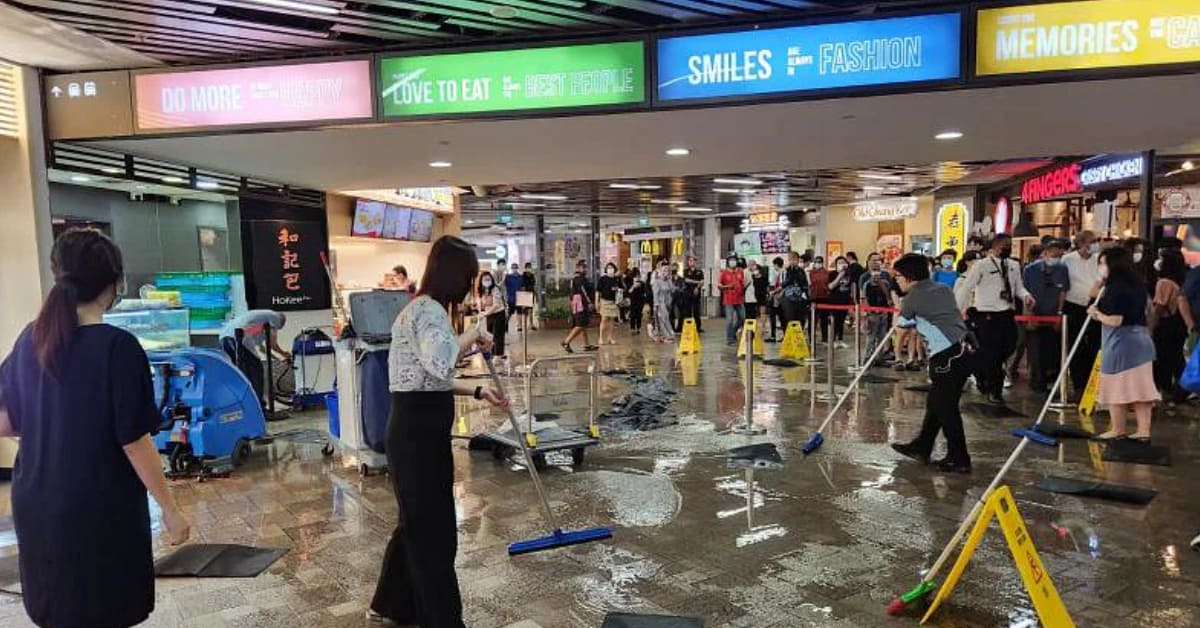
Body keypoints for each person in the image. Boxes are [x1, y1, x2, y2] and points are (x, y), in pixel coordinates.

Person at [0, 229, 190, 628]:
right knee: (104, 610)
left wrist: (49, 431)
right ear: (113, 282)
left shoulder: (28, 341)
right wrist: (171, 511)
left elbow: (5, 422)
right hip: (98, 511)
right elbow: (135, 442)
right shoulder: (117, 348)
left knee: (58, 611)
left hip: (35, 503)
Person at [372, 236, 509, 627]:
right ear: (452, 274)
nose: (469, 286)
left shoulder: (421, 310)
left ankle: (391, 604)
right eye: (467, 277)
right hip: (417, 436)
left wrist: (479, 390)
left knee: (416, 524)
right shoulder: (428, 311)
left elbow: (425, 378)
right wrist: (472, 336)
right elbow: (442, 359)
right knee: (434, 534)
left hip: (415, 429)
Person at [889, 253, 976, 474]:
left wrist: (902, 308)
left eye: (898, 276)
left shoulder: (914, 296)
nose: (896, 280)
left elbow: (903, 323)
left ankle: (960, 458)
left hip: (947, 356)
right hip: (964, 351)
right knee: (937, 402)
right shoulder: (942, 289)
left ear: (909, 276)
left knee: (946, 408)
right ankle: (922, 446)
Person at [1090, 246, 1159, 441]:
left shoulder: (1115, 289)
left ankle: (1118, 429)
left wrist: (1097, 314)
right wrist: (1101, 279)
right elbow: (1093, 292)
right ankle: (1143, 430)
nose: (1101, 267)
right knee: (1141, 388)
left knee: (1116, 387)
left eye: (1103, 263)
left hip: (1121, 344)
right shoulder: (1138, 285)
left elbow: (1115, 320)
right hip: (1142, 341)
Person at [955, 234, 1034, 405]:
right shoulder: (981, 266)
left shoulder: (1013, 265)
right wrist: (956, 310)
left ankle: (979, 367)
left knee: (1009, 347)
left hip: (1007, 313)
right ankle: (994, 390)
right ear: (994, 247)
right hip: (987, 314)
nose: (1007, 248)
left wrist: (1027, 296)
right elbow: (967, 287)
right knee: (992, 353)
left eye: (1010, 245)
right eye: (1004, 245)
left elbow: (1019, 287)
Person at [219, 308, 290, 411]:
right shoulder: (275, 317)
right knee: (255, 372)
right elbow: (273, 343)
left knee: (236, 373)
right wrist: (284, 354)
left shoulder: (258, 323)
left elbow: (262, 348)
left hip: (225, 337)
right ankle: (258, 407)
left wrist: (278, 358)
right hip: (240, 338)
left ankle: (238, 405)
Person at [1022, 240, 1069, 393]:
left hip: (1053, 313)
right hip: (1034, 312)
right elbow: (1024, 292)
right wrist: (1028, 315)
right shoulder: (1030, 270)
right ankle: (1037, 383)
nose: (1057, 257)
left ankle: (1052, 381)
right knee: (1035, 351)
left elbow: (1063, 292)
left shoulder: (1062, 269)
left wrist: (1060, 313)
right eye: (1054, 254)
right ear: (1045, 253)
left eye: (1059, 255)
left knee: (1052, 350)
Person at [1061, 230, 1103, 401]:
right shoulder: (1067, 259)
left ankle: (1094, 387)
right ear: (1081, 243)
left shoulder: (1099, 259)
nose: (1094, 244)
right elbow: (1064, 283)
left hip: (1095, 304)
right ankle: (1078, 385)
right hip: (1074, 305)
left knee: (1095, 345)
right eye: (1091, 241)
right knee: (1075, 346)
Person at [1153, 249, 1188, 399]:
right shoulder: (1180, 281)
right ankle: (1184, 388)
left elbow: (1159, 307)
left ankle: (1168, 389)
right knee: (1177, 358)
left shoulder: (1164, 282)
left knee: (1164, 358)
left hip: (1166, 325)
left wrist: (1151, 324)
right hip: (1178, 325)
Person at [862, 255, 894, 363]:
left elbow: (889, 295)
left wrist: (881, 283)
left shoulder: (885, 279)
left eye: (878, 260)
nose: (876, 262)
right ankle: (867, 358)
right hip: (872, 314)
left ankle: (879, 358)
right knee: (871, 337)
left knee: (882, 336)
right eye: (874, 260)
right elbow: (863, 297)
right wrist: (866, 313)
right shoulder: (865, 281)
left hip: (884, 312)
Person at [562, 260, 597, 353]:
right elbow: (584, 292)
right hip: (581, 303)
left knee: (583, 324)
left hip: (576, 303)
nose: (585, 269)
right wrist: (589, 302)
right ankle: (566, 341)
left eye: (585, 267)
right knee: (581, 324)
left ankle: (586, 344)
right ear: (577, 268)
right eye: (582, 267)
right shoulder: (579, 279)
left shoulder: (574, 278)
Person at [475, 271, 507, 359]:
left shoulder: (495, 289)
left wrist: (486, 313)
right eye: (485, 279)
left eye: (488, 279)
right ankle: (492, 353)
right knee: (490, 334)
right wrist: (480, 311)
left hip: (499, 313)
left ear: (492, 280)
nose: (487, 281)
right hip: (488, 314)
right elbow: (480, 303)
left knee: (497, 335)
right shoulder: (481, 291)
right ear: (481, 281)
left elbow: (496, 305)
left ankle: (498, 355)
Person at [717, 254, 747, 347]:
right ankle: (730, 339)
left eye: (734, 260)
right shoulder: (724, 273)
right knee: (729, 320)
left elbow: (742, 284)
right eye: (731, 260)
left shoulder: (740, 272)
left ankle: (733, 332)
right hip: (728, 300)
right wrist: (728, 286)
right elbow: (719, 286)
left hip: (739, 299)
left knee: (742, 318)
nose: (733, 262)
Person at [779, 251, 810, 329]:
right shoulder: (785, 271)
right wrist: (791, 275)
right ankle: (789, 337)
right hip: (788, 298)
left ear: (797, 260)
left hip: (800, 298)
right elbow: (783, 284)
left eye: (794, 259)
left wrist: (807, 298)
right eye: (790, 259)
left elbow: (805, 284)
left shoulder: (802, 271)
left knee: (800, 319)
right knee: (789, 318)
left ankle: (798, 337)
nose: (792, 261)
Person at [828, 256, 853, 348]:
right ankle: (833, 340)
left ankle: (840, 340)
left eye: (844, 262)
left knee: (841, 321)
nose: (842, 264)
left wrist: (852, 299)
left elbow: (852, 286)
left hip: (845, 301)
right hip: (834, 301)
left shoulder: (849, 274)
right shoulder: (832, 274)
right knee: (834, 321)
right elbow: (830, 286)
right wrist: (840, 275)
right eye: (840, 263)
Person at [650, 261, 676, 343]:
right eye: (664, 270)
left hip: (668, 302)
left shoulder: (668, 281)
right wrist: (656, 305)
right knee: (663, 318)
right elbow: (655, 294)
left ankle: (663, 335)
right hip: (660, 303)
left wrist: (670, 280)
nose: (666, 272)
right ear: (660, 271)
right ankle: (667, 336)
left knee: (666, 318)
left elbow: (673, 289)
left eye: (668, 270)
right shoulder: (657, 282)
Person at [597, 262, 622, 346]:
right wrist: (597, 302)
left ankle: (610, 337)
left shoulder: (617, 279)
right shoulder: (603, 279)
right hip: (604, 301)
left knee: (612, 320)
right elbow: (598, 291)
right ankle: (601, 337)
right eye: (608, 268)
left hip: (614, 302)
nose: (610, 270)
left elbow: (622, 289)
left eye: (611, 268)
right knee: (604, 319)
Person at [809, 255, 832, 342]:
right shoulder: (811, 272)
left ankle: (825, 338)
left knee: (824, 319)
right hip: (813, 297)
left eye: (819, 262)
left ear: (822, 263)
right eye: (816, 262)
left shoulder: (827, 273)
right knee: (812, 319)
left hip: (824, 297)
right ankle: (811, 337)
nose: (817, 263)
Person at [681, 256, 705, 333]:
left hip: (696, 294)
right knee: (687, 312)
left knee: (696, 311)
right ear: (688, 262)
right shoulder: (685, 271)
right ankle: (687, 327)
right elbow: (686, 280)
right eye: (690, 261)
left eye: (693, 261)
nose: (692, 262)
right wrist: (697, 282)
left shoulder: (699, 272)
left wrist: (697, 287)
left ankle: (698, 327)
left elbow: (702, 282)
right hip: (687, 294)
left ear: (695, 262)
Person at [767, 256, 785, 341]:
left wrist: (773, 292)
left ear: (777, 265)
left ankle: (780, 335)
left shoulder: (783, 273)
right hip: (776, 297)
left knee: (780, 317)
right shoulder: (776, 273)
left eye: (774, 265)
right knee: (775, 316)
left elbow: (782, 286)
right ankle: (773, 335)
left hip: (779, 298)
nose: (774, 267)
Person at [750, 260, 770, 336]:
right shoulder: (752, 278)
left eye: (756, 269)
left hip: (762, 296)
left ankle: (763, 328)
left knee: (763, 313)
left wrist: (768, 294)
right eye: (753, 270)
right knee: (755, 313)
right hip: (753, 297)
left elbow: (767, 288)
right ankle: (755, 327)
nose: (755, 271)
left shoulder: (764, 278)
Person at [627, 269, 646, 335]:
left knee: (639, 314)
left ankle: (638, 328)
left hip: (640, 300)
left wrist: (640, 286)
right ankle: (632, 328)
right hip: (633, 300)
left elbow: (644, 292)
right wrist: (633, 286)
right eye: (635, 276)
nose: (637, 277)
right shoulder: (630, 282)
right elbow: (628, 291)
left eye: (638, 276)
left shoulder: (642, 283)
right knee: (632, 315)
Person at [519, 262, 537, 332]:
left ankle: (531, 324)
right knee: (525, 310)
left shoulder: (532, 275)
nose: (529, 268)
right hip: (524, 294)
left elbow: (534, 284)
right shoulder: (523, 276)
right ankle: (524, 325)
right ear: (525, 268)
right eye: (528, 267)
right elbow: (521, 285)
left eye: (530, 267)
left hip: (531, 293)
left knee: (531, 310)